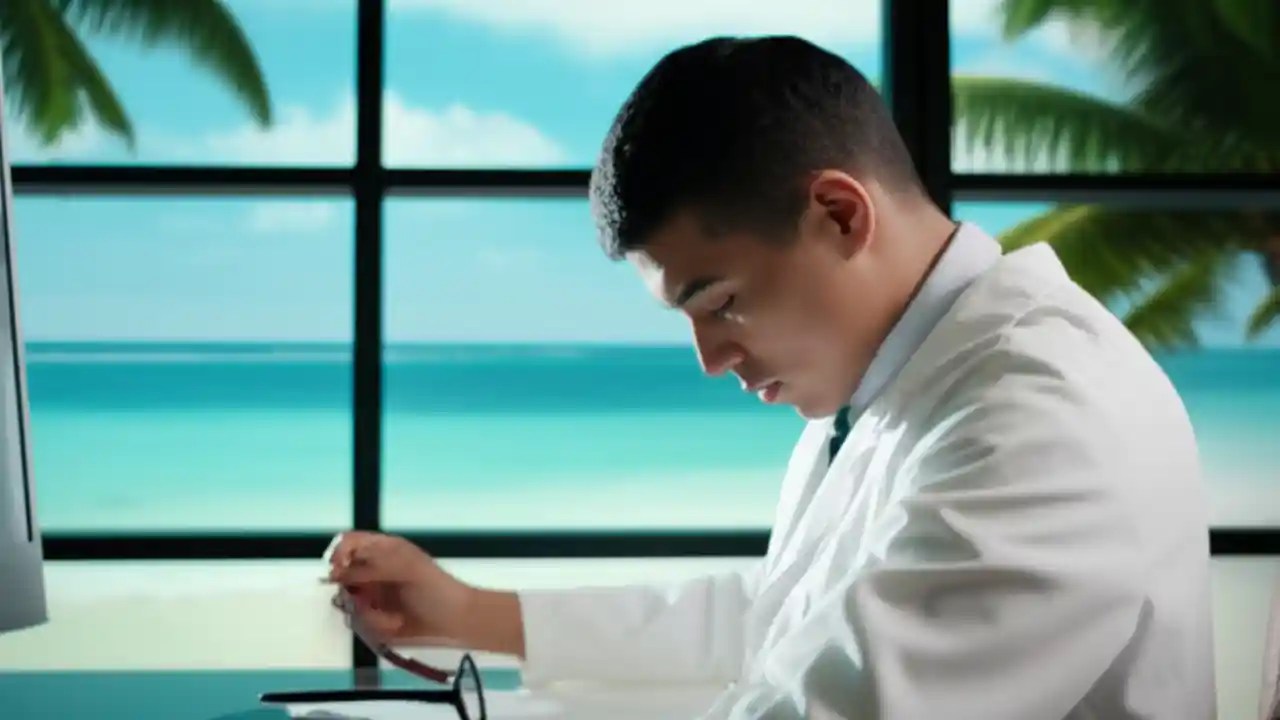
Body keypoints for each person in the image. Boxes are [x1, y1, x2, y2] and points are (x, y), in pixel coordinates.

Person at [326, 36, 1217, 719]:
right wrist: (467, 612)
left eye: (722, 303)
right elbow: (787, 621)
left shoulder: (1042, 414)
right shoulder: (891, 383)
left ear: (839, 214)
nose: (711, 359)